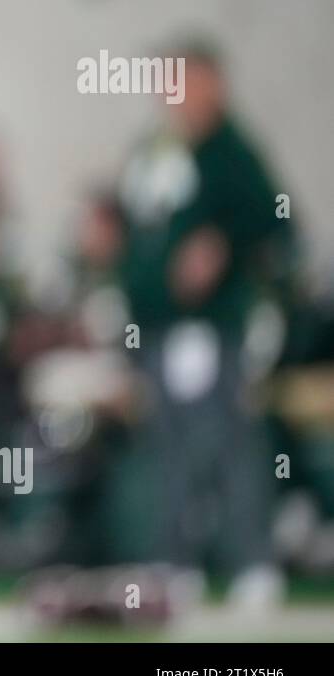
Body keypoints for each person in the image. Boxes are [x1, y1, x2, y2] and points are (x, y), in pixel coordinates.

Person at [117, 40, 294, 603]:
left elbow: (274, 223)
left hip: (215, 326)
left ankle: (252, 561)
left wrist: (221, 245)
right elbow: (135, 228)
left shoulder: (233, 153)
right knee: (167, 447)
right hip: (158, 325)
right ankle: (172, 561)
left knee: (229, 442)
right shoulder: (154, 152)